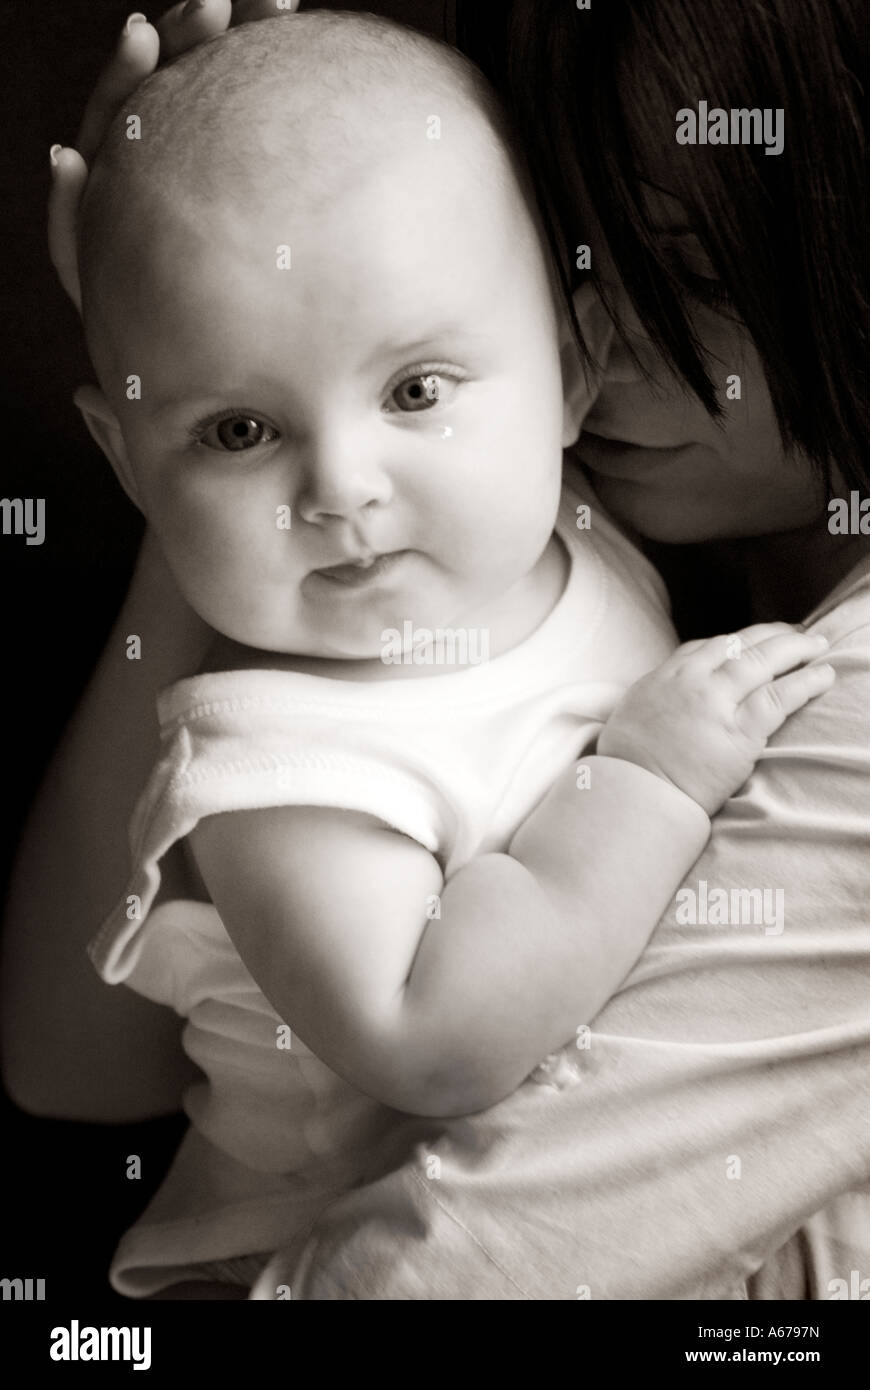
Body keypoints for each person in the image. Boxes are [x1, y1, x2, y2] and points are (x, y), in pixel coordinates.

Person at [4, 0, 869, 1299]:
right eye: (565, 248)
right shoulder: (514, 540)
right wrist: (190, 335)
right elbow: (79, 1065)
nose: (601, 332)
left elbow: (445, 1269)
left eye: (680, 264)